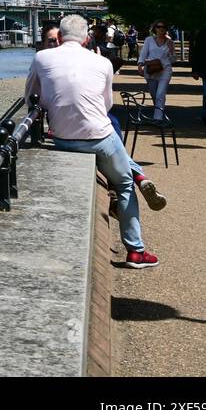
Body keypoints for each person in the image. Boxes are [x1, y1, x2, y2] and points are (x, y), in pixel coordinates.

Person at [26, 14, 159, 267]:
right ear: (87, 38)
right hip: (100, 137)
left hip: (64, 138)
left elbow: (32, 98)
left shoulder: (41, 58)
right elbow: (106, 104)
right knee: (124, 184)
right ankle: (136, 251)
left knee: (111, 155)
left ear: (61, 37)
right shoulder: (103, 63)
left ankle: (137, 174)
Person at [29, 25, 166, 212]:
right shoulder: (46, 62)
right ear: (43, 44)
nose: (56, 43)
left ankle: (119, 188)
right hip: (79, 125)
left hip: (80, 125)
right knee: (108, 138)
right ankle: (135, 180)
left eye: (57, 39)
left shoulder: (61, 60)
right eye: (51, 41)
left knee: (110, 130)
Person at [137, 20, 174, 120]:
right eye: (158, 27)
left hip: (165, 70)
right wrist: (140, 65)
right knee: (154, 94)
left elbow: (173, 60)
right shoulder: (149, 40)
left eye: (163, 27)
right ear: (155, 28)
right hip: (151, 70)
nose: (161, 29)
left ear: (166, 29)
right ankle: (158, 109)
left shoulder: (170, 41)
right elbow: (143, 53)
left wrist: (171, 50)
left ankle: (158, 118)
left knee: (160, 94)